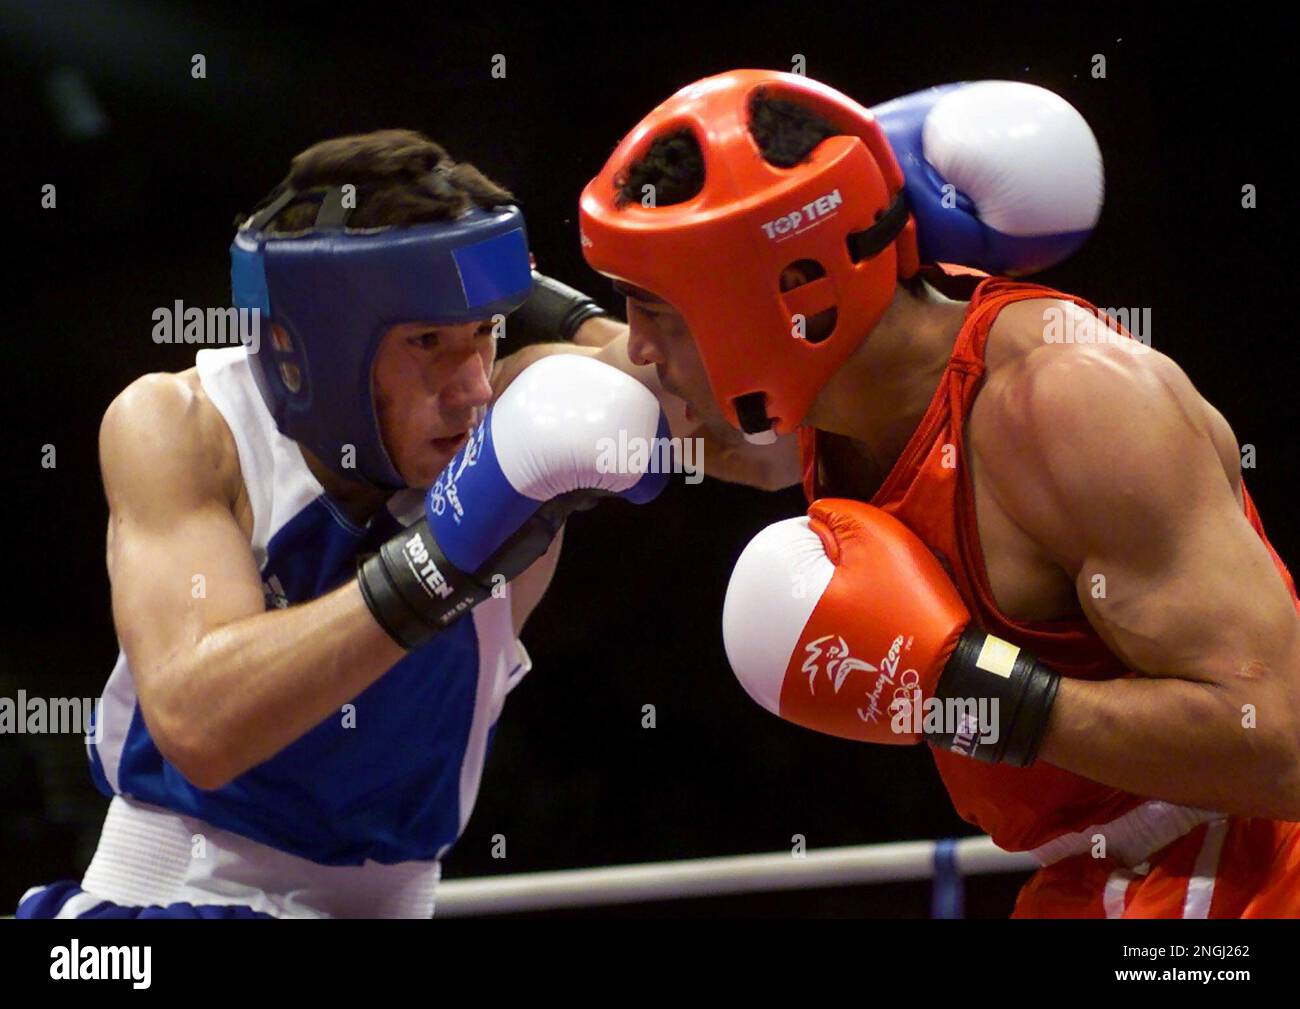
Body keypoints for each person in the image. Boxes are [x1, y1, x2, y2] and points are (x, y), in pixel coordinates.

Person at [538, 70, 1300, 917]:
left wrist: (968, 693)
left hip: (1252, 865)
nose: (639, 350)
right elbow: (583, 381)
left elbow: (1281, 744)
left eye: (656, 311)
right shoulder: (820, 394)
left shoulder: (1066, 405)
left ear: (786, 296)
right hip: (1087, 879)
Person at [16, 129, 667, 919]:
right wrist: (440, 561)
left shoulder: (519, 409)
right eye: (427, 340)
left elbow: (749, 427)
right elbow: (199, 720)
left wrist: (574, 320)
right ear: (318, 351)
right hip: (169, 906)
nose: (471, 391)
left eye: (486, 332)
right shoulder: (186, 426)